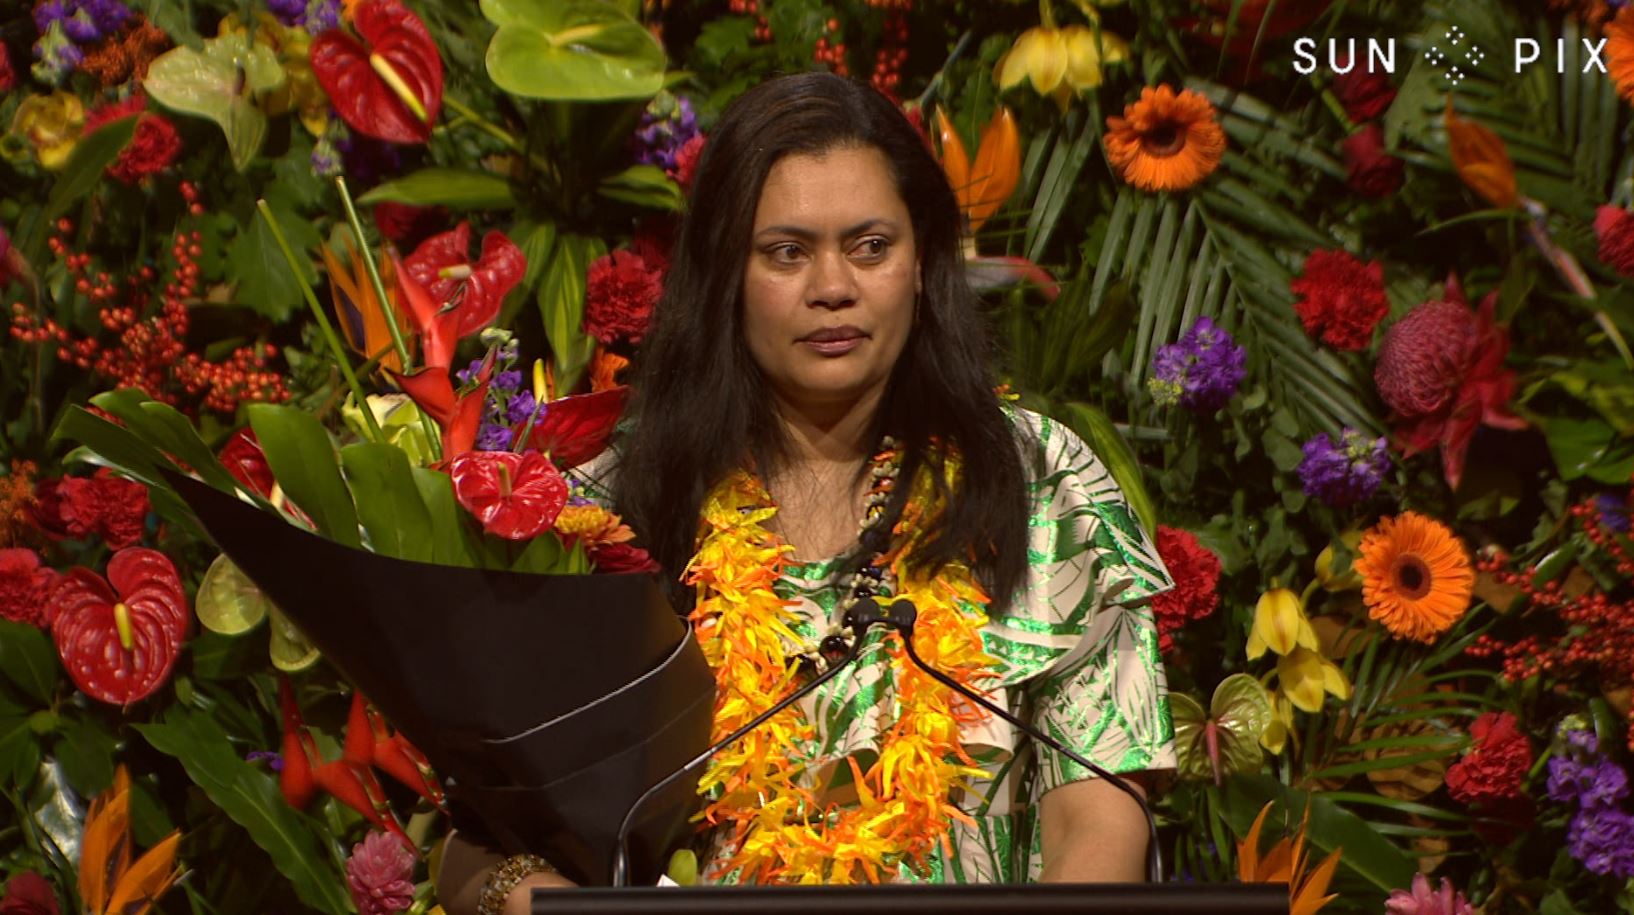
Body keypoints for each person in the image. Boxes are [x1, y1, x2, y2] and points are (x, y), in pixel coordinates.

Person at [436, 71, 1177, 914]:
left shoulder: (1044, 485)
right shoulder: (607, 514)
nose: (834, 286)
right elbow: (476, 842)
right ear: (725, 273)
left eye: (870, 246)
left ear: (923, 260)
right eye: (787, 252)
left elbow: (1102, 801)